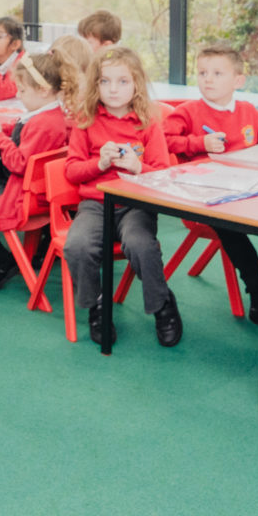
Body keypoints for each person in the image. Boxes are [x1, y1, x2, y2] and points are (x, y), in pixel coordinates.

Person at [164, 43, 258, 343]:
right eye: (203, 72)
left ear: (238, 81)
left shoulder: (246, 110)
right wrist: (198, 144)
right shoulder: (188, 112)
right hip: (209, 199)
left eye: (218, 73)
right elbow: (164, 139)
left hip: (253, 190)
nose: (208, 79)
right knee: (233, 228)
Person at [62, 46, 181, 348]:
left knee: (141, 244)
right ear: (95, 85)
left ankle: (162, 304)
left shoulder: (148, 123)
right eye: (105, 82)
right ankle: (97, 305)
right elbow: (72, 172)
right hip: (94, 204)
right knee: (76, 246)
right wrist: (99, 164)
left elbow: (164, 175)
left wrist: (138, 168)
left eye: (122, 82)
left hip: (136, 204)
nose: (113, 89)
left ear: (136, 84)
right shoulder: (85, 120)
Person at [0, 51, 76, 292]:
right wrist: (4, 128)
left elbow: (19, 162)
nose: (18, 96)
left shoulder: (43, 124)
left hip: (22, 197)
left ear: (42, 90)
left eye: (22, 91)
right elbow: (24, 125)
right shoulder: (50, 114)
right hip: (32, 190)